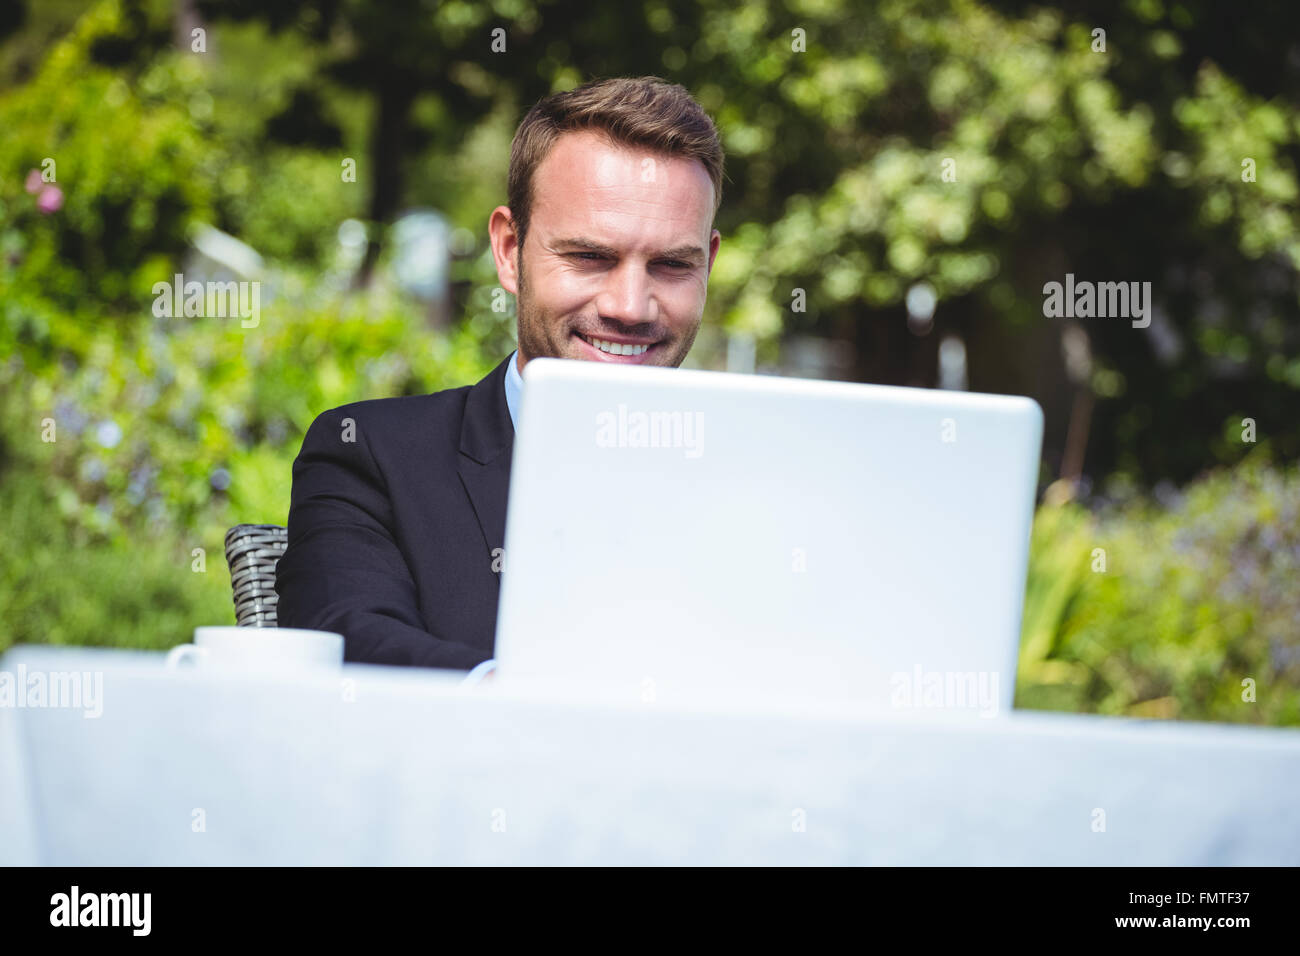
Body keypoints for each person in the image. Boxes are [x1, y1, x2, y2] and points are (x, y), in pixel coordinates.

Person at [274, 76, 724, 668]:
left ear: (708, 264)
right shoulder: (370, 458)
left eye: (670, 265)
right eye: (590, 257)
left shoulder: (778, 484)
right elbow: (346, 642)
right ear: (510, 250)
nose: (628, 306)